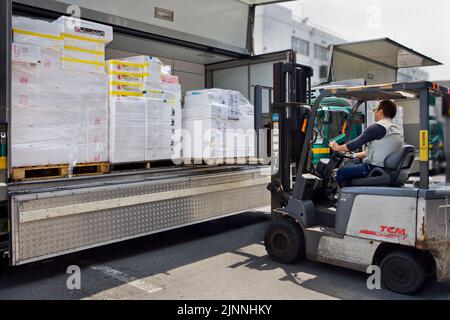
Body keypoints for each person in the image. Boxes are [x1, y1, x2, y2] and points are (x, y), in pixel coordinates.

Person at [329, 100, 405, 187]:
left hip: (374, 168)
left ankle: (344, 197)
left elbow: (355, 143)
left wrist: (337, 147)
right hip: (386, 169)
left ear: (381, 112)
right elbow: (375, 151)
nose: (374, 112)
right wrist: (354, 155)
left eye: (375, 109)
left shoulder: (377, 127)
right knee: (352, 165)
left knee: (341, 172)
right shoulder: (395, 129)